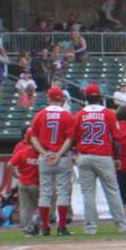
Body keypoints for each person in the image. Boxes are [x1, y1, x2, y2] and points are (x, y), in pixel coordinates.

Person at [73, 83, 126, 235]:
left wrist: (76, 154)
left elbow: (73, 139)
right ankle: (123, 225)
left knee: (88, 193)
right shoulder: (108, 113)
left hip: (85, 155)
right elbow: (117, 139)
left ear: (86, 97)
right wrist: (117, 157)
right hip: (103, 156)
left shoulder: (79, 114)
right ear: (100, 97)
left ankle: (90, 227)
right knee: (112, 191)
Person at [30, 87, 76, 237]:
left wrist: (45, 154)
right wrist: (58, 154)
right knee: (63, 192)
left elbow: (33, 137)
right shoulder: (67, 115)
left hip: (45, 157)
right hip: (62, 157)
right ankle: (61, 227)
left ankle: (45, 227)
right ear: (62, 99)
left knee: (45, 193)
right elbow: (69, 139)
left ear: (48, 98)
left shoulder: (40, 114)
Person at [8, 131, 41, 236]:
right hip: (36, 184)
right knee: (43, 205)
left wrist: (16, 175)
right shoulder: (41, 153)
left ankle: (27, 230)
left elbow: (9, 164)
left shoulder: (23, 152)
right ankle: (35, 224)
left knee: (25, 208)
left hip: (23, 183)